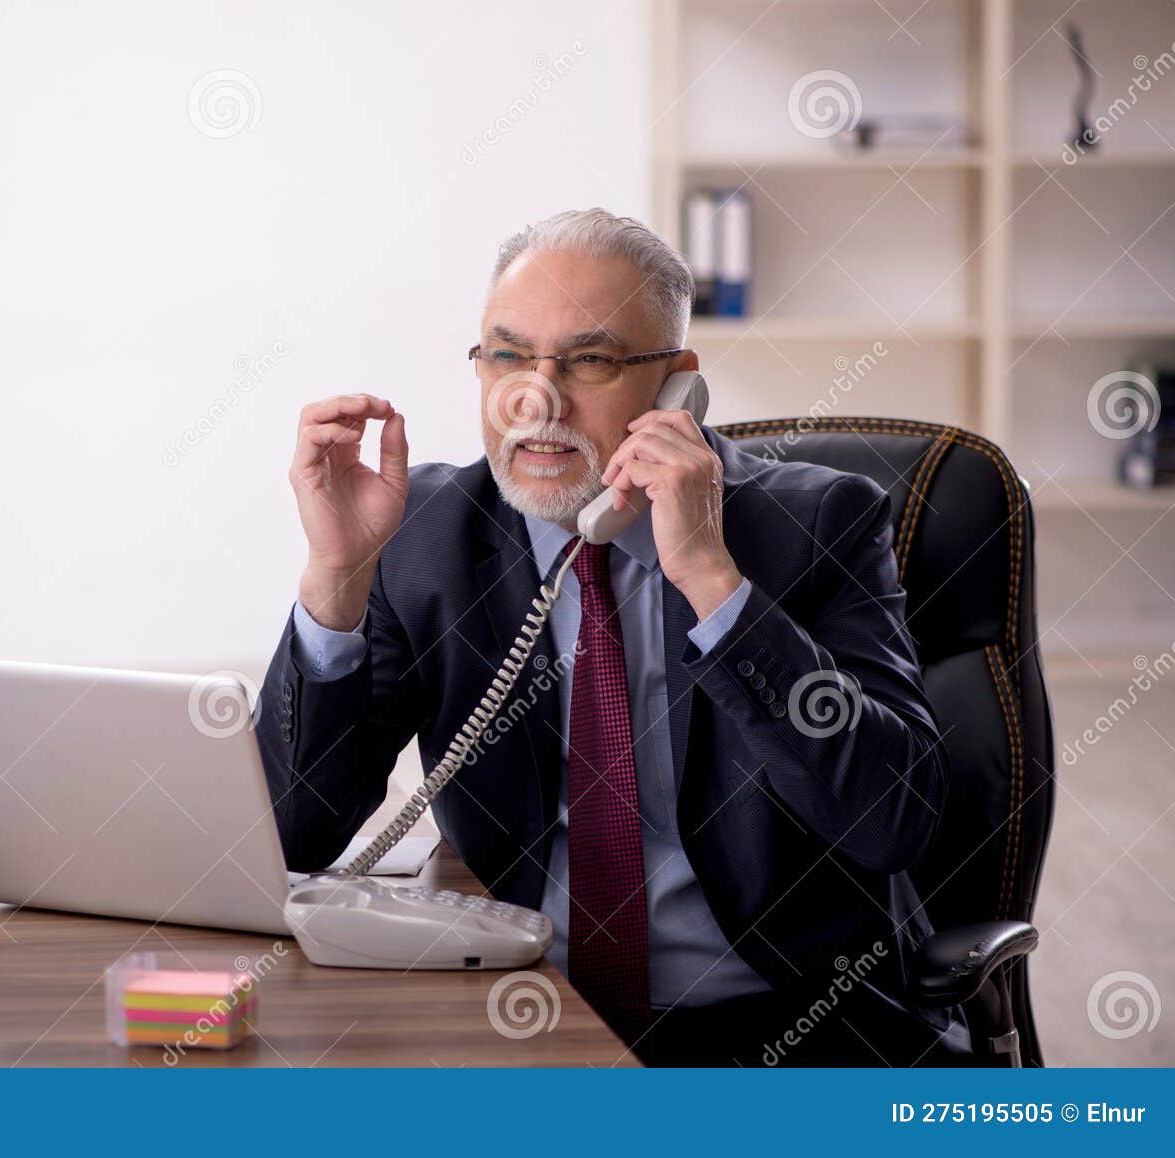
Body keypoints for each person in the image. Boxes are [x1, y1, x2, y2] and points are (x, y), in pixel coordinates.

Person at [255, 208, 967, 1066]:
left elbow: (897, 818)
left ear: (679, 385)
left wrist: (713, 579)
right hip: (517, 1013)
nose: (537, 397)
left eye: (588, 359)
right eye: (508, 355)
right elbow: (290, 836)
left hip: (780, 1024)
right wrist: (336, 580)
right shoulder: (428, 534)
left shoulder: (815, 523)